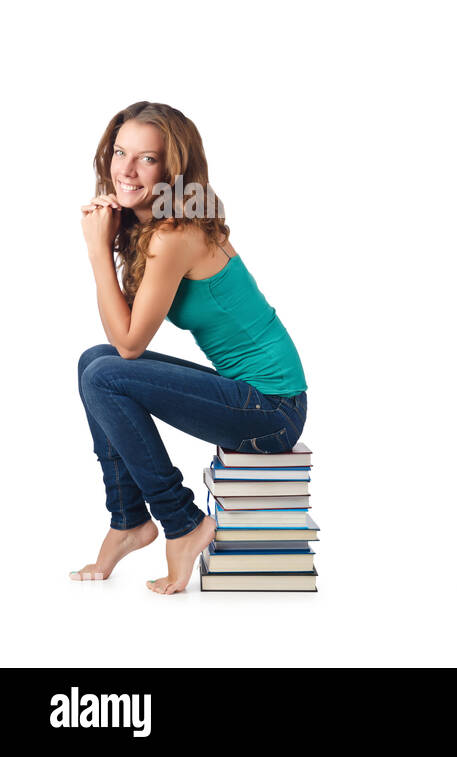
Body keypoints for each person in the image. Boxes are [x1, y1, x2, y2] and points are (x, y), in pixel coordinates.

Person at [75, 102, 308, 594]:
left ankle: (181, 524)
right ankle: (128, 521)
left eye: (147, 159)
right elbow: (121, 338)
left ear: (173, 169)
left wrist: (97, 251)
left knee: (105, 371)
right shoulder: (158, 227)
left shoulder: (174, 235)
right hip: (247, 396)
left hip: (272, 412)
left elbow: (132, 344)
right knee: (94, 361)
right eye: (120, 153)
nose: (127, 169)